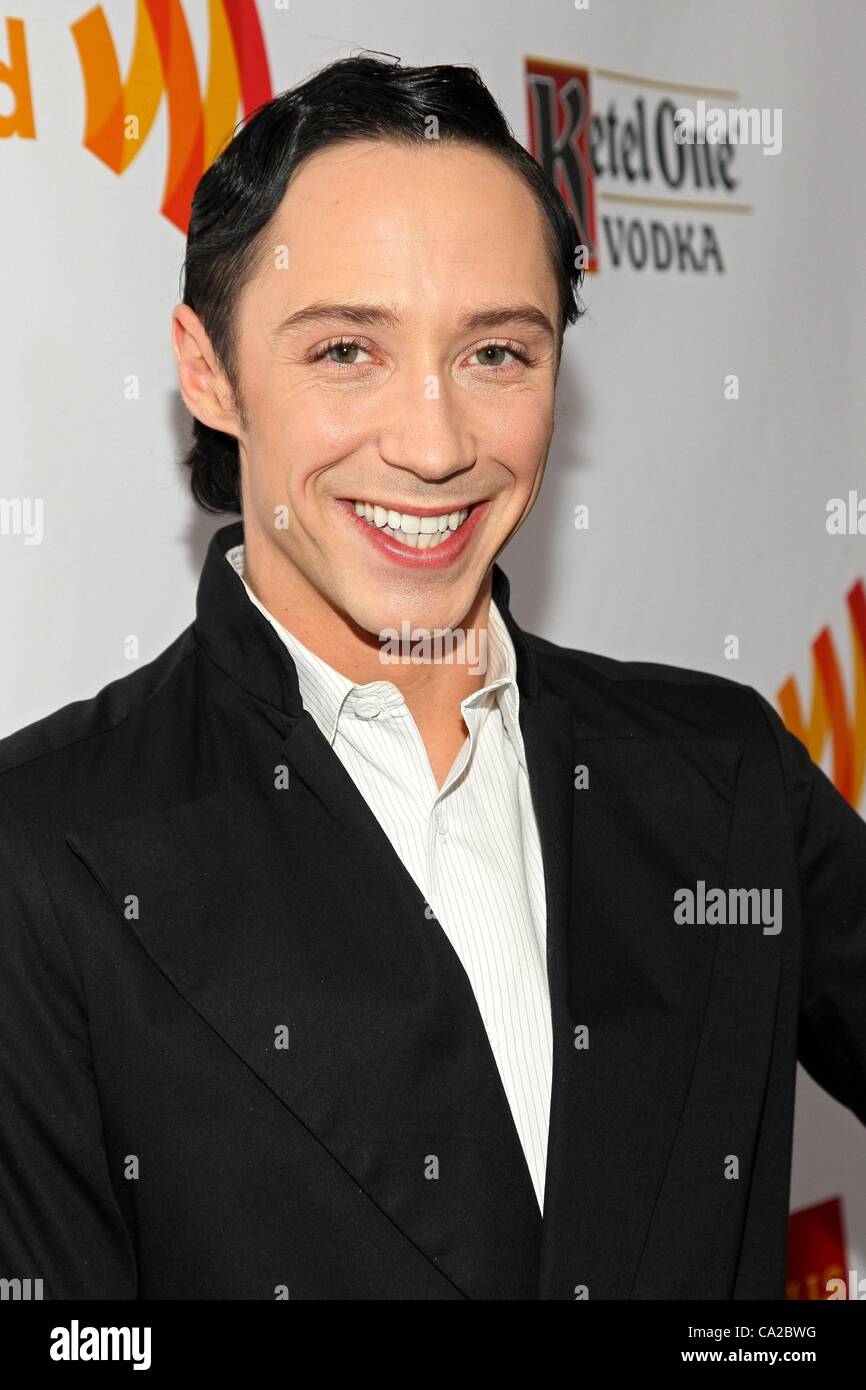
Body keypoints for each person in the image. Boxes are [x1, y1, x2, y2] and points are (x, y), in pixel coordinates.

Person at [0, 55, 864, 1301]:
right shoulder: (43, 845)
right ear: (207, 370)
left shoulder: (719, 772)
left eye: (496, 354)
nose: (434, 443)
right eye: (347, 347)